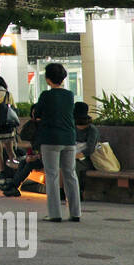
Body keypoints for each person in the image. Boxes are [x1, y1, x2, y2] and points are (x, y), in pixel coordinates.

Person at [32, 62, 79, 222]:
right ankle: (75, 212)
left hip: (51, 139)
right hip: (69, 138)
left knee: (51, 175)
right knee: (70, 175)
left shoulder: (46, 95)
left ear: (47, 79)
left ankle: (55, 213)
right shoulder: (70, 95)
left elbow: (37, 112)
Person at [72, 101, 99, 199]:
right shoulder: (72, 128)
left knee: (73, 165)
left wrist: (77, 155)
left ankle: (77, 193)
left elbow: (90, 149)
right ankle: (62, 192)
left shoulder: (92, 130)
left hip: (88, 160)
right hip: (73, 156)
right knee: (62, 164)